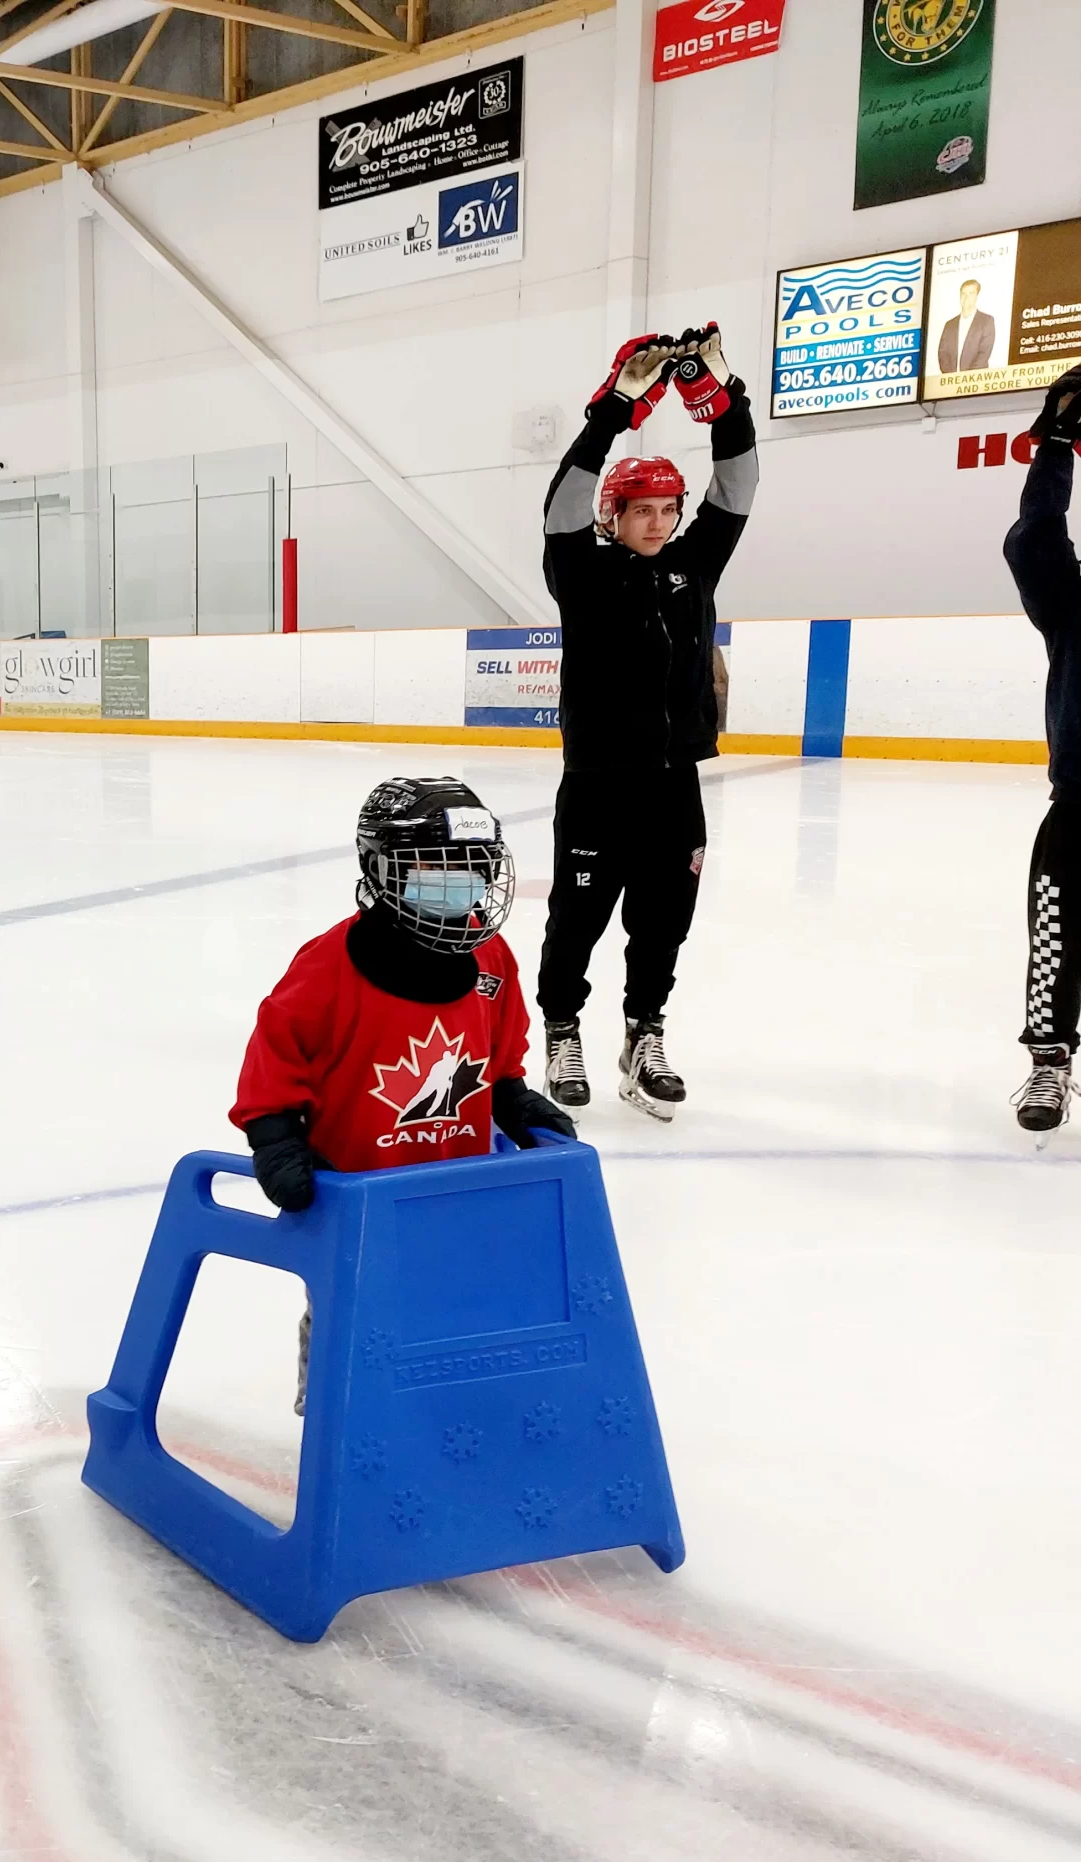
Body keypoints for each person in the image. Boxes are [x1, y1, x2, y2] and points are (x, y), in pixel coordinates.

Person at [231, 777, 576, 1412]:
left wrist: (512, 1096)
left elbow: (498, 1055)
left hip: (455, 1187)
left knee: (453, 1299)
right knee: (347, 1308)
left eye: (473, 863)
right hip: (355, 1195)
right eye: (436, 862)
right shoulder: (327, 966)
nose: (460, 877)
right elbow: (274, 1054)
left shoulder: (492, 959)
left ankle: (441, 1408)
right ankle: (332, 1407)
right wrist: (276, 1136)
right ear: (377, 866)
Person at [534, 325, 758, 1120]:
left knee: (662, 925)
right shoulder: (582, 575)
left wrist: (724, 405)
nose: (659, 523)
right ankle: (562, 1030)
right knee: (578, 921)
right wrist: (618, 408)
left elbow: (737, 485)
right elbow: (563, 499)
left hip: (675, 784)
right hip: (598, 784)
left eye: (668, 509)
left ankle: (643, 1035)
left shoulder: (692, 566)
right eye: (642, 511)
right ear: (615, 515)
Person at [1006, 366, 1081, 1129]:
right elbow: (1034, 534)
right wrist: (1054, 442)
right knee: (1057, 936)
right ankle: (1049, 1063)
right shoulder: (1071, 597)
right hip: (1080, 807)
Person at [936, 281, 998, 376]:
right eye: (963, 294)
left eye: (971, 293)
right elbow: (942, 353)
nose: (966, 297)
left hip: (975, 382)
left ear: (977, 296)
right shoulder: (949, 325)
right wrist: (951, 377)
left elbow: (984, 353)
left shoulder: (986, 321)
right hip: (950, 383)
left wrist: (966, 378)